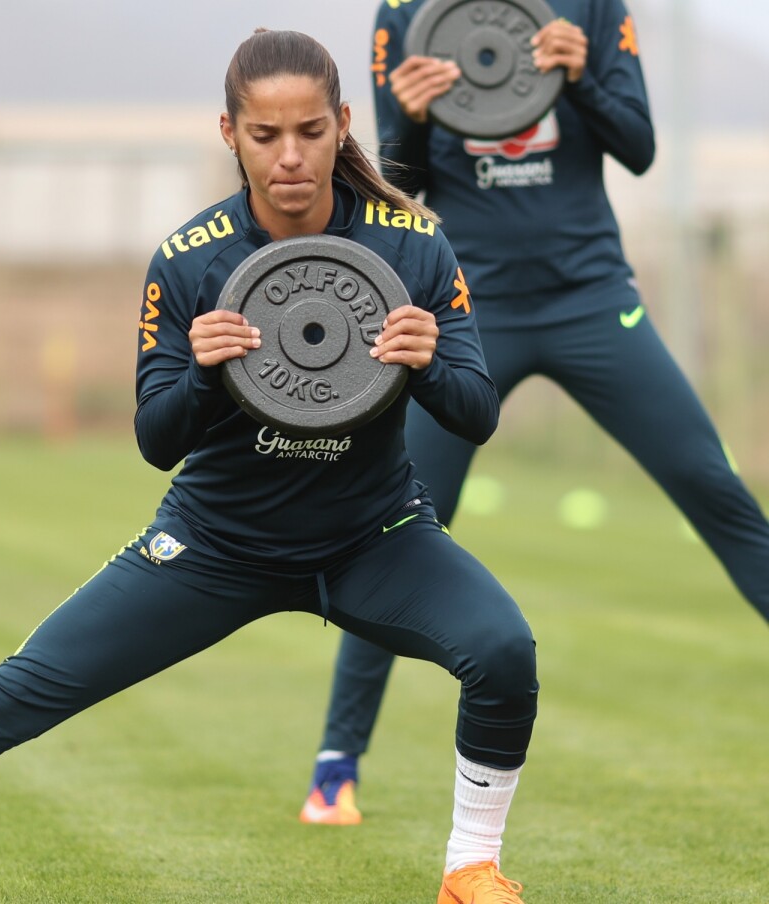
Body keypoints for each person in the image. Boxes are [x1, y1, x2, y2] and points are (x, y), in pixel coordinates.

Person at [0, 29, 538, 904]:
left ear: (343, 124)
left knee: (502, 649)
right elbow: (158, 438)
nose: (291, 156)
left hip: (372, 538)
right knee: (17, 692)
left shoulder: (414, 249)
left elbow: (476, 413)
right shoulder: (191, 261)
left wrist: (430, 362)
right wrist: (205, 376)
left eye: (310, 130)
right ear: (229, 133)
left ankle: (470, 872)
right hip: (215, 545)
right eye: (266, 136)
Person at [300, 0, 769, 827]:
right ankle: (337, 767)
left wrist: (581, 71)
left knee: (713, 485)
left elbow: (640, 147)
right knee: (396, 528)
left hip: (593, 301)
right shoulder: (405, 14)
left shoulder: (590, 3)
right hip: (469, 312)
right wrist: (408, 111)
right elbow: (395, 189)